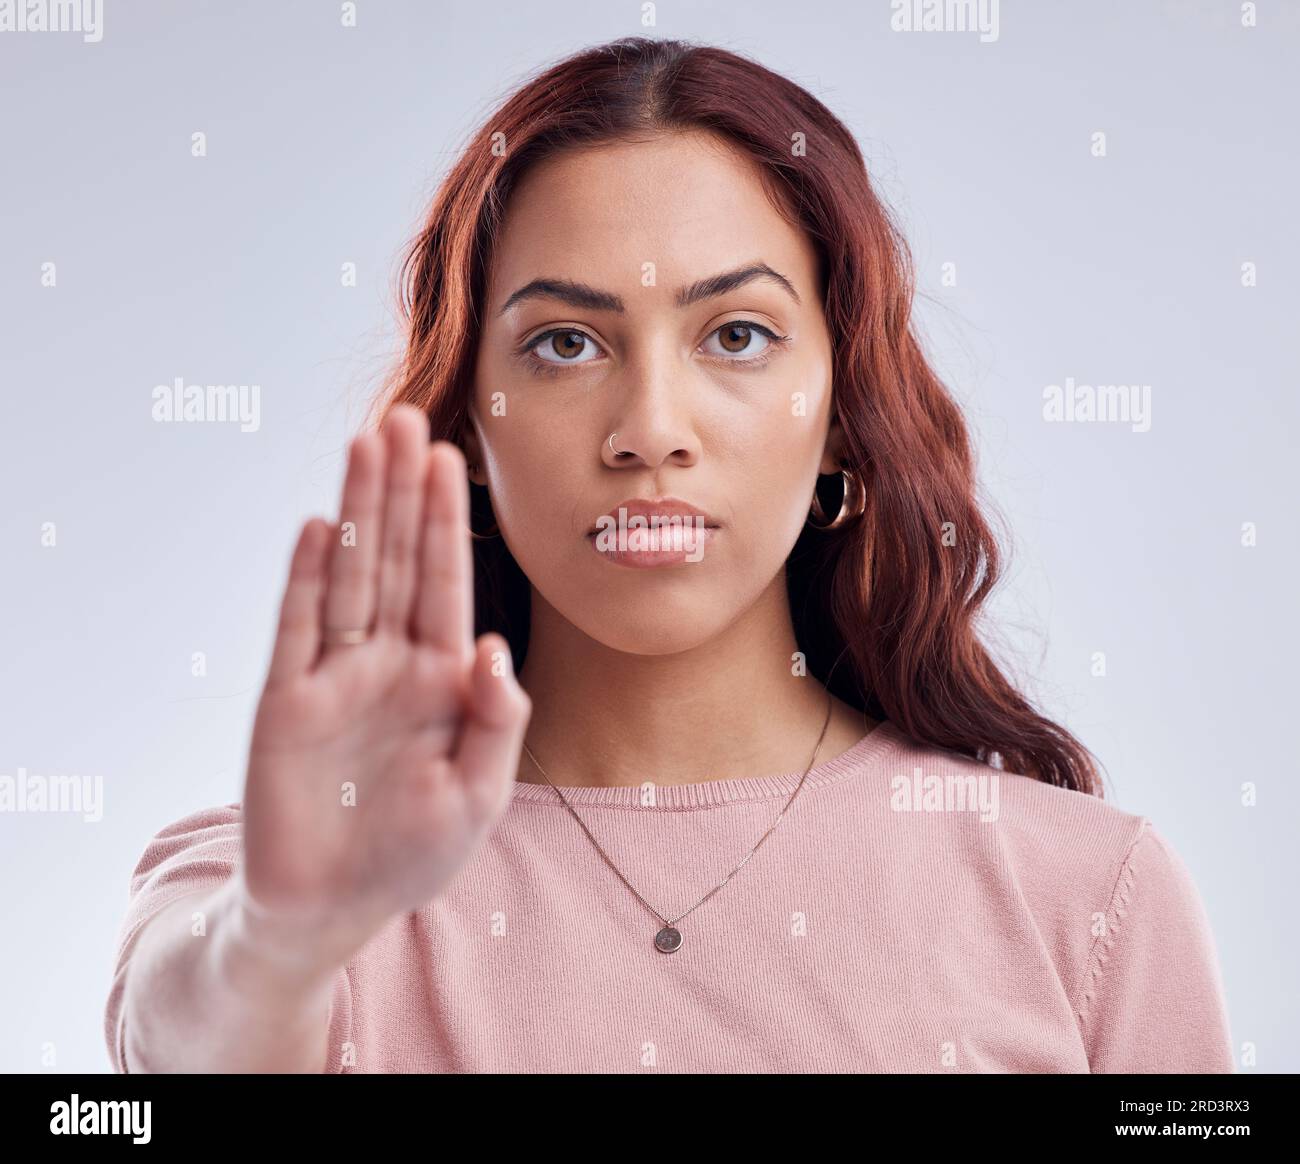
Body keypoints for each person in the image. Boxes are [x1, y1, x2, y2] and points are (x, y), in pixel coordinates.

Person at [103, 37, 1234, 1073]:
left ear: (839, 410)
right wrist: (278, 943)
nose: (650, 427)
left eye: (735, 335)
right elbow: (183, 1036)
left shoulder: (1088, 896)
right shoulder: (291, 878)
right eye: (564, 343)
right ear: (472, 430)